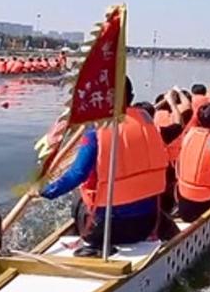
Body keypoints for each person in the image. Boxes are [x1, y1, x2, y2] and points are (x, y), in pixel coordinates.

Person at [41, 78, 171, 254]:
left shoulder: (95, 130)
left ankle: (84, 232)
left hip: (104, 232)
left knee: (80, 189)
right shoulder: (147, 121)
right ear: (131, 97)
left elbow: (77, 174)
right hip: (145, 226)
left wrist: (44, 191)